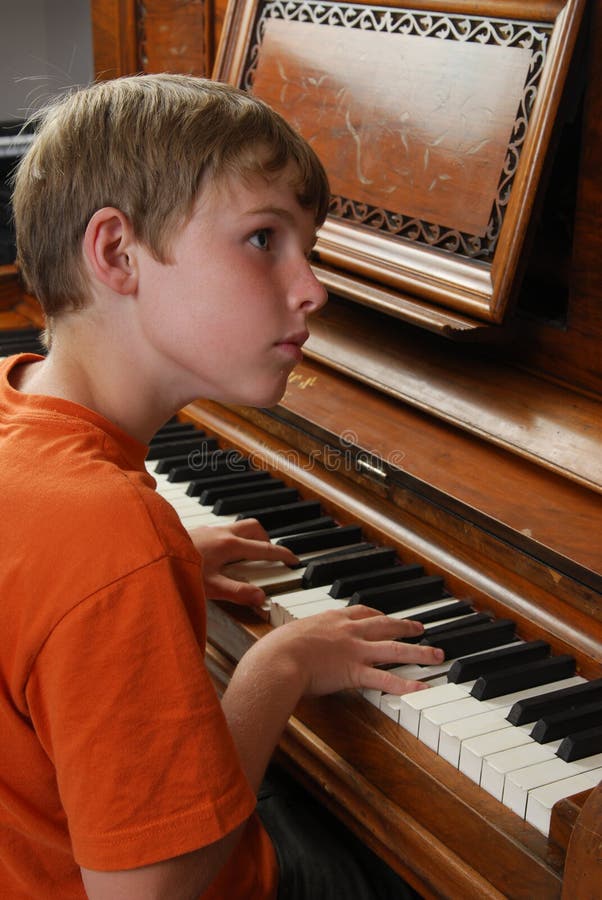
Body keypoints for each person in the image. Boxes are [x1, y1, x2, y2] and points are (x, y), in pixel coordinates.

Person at [0, 74, 443, 900]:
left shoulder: (17, 401)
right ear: (117, 253)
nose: (313, 287)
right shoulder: (105, 538)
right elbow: (151, 892)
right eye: (262, 240)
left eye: (306, 248)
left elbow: (38, 582)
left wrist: (150, 571)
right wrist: (275, 671)